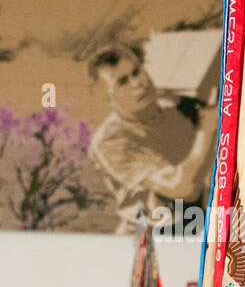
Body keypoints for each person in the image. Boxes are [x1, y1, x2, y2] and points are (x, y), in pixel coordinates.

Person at [88, 44, 219, 234]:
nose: (138, 83)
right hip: (153, 239)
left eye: (136, 72)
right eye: (123, 81)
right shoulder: (110, 141)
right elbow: (181, 187)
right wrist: (207, 127)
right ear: (106, 97)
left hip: (204, 229)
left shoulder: (179, 108)